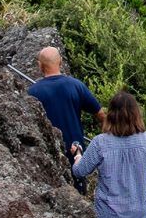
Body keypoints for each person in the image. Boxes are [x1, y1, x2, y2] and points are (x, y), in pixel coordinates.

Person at [27, 47, 105, 193]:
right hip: (76, 152)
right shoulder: (76, 86)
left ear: (40, 65)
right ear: (61, 62)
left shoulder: (32, 92)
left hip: (48, 154)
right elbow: (100, 114)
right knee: (78, 193)